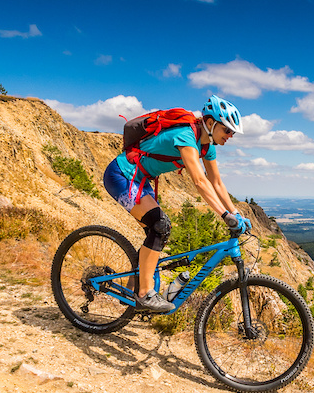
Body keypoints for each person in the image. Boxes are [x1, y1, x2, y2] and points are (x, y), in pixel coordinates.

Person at [103, 95, 251, 312]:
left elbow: (216, 182)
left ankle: (135, 286)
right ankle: (144, 295)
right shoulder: (185, 136)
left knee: (160, 230)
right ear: (210, 123)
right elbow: (200, 181)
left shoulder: (207, 146)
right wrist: (224, 215)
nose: (231, 135)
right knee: (159, 226)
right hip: (121, 175)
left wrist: (235, 212)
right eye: (227, 130)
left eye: (233, 132)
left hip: (140, 180)